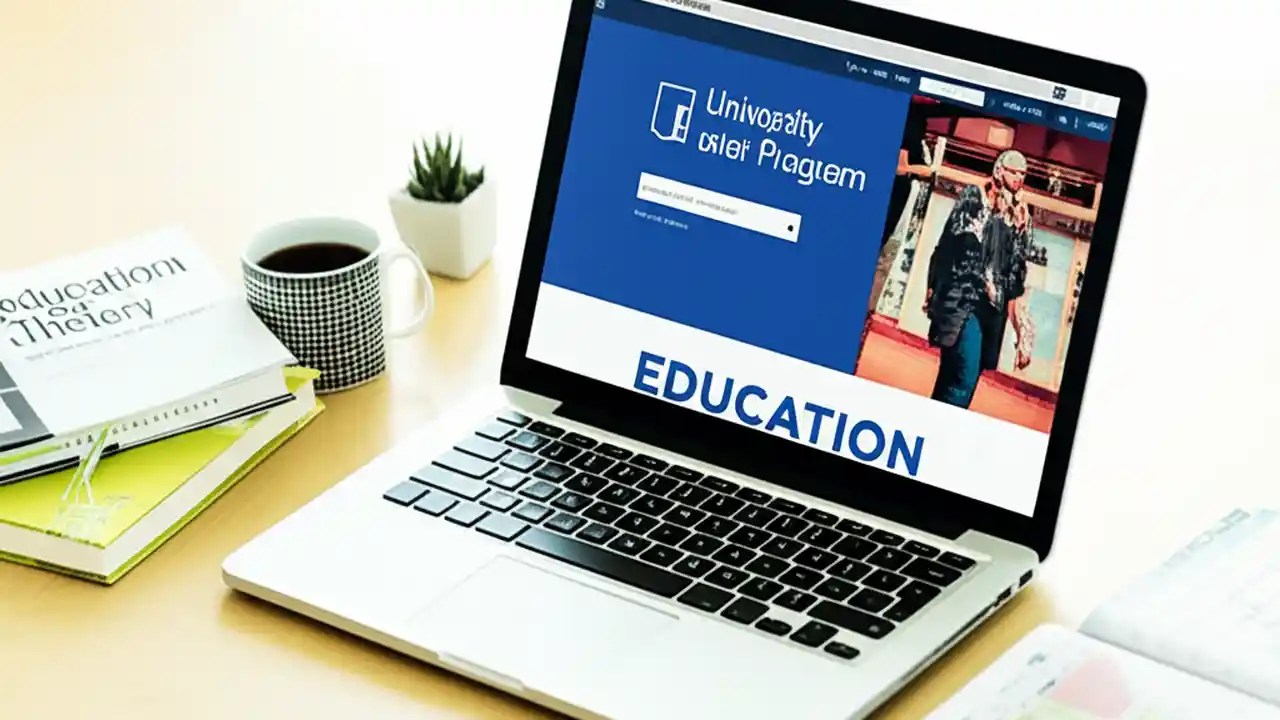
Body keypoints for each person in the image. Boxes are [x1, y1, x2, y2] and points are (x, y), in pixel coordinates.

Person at [923, 149, 1036, 409]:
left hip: (992, 313)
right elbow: (947, 246)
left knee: (958, 378)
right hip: (964, 302)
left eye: (1022, 173)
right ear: (999, 170)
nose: (1018, 177)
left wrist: (1023, 333)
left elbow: (1017, 277)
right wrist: (932, 288)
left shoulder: (1022, 217)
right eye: (1012, 171)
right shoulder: (975, 197)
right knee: (964, 375)